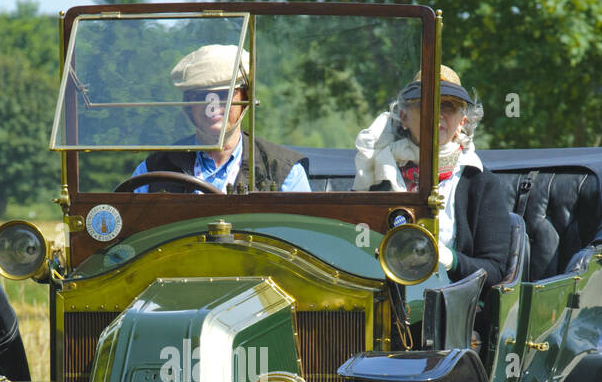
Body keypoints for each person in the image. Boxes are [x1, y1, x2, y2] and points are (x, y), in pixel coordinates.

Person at [353, 65, 509, 286]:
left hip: (452, 310)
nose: (438, 114)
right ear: (404, 117)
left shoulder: (480, 182)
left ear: (462, 122)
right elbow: (354, 247)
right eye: (426, 104)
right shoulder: (377, 174)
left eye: (449, 106)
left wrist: (450, 260)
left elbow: (495, 271)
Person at [131, 44, 311, 193]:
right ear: (187, 106)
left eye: (225, 94)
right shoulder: (152, 170)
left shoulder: (284, 171)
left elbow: (301, 233)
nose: (213, 106)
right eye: (201, 96)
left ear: (245, 98)